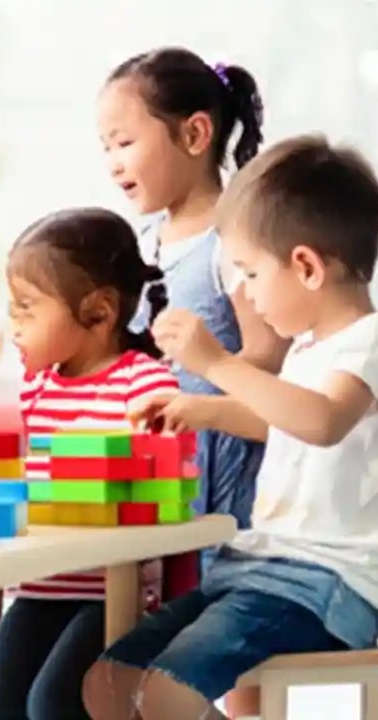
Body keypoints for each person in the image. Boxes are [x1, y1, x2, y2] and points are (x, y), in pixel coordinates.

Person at [82, 135, 378, 720]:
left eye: (249, 273)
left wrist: (215, 365)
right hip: (256, 567)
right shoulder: (307, 349)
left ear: (306, 266)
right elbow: (284, 424)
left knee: (167, 692)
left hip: (326, 583)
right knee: (110, 681)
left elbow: (321, 422)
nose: (243, 291)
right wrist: (196, 408)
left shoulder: (375, 341)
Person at [0, 207, 180, 719]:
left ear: (98, 312)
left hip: (112, 593)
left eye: (27, 309)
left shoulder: (144, 384)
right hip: (41, 584)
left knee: (54, 701)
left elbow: (160, 483)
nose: (15, 326)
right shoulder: (39, 387)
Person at [98, 47, 290, 534]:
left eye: (123, 143)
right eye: (106, 149)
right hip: (157, 459)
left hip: (219, 456)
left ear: (195, 134)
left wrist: (199, 375)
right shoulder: (143, 243)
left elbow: (269, 354)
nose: (113, 165)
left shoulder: (235, 241)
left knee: (203, 577)